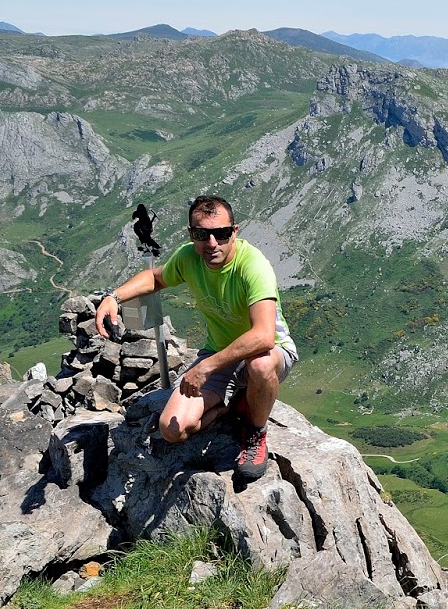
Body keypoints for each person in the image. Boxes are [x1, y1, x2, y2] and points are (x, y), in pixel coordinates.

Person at [95, 195, 298, 481]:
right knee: (172, 429)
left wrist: (204, 368)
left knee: (259, 366)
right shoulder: (189, 257)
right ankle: (231, 404)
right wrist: (114, 298)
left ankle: (255, 433)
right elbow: (156, 278)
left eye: (221, 233)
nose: (212, 243)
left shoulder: (253, 265)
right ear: (192, 235)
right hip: (222, 354)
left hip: (271, 353)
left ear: (235, 232)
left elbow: (264, 337)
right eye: (202, 234)